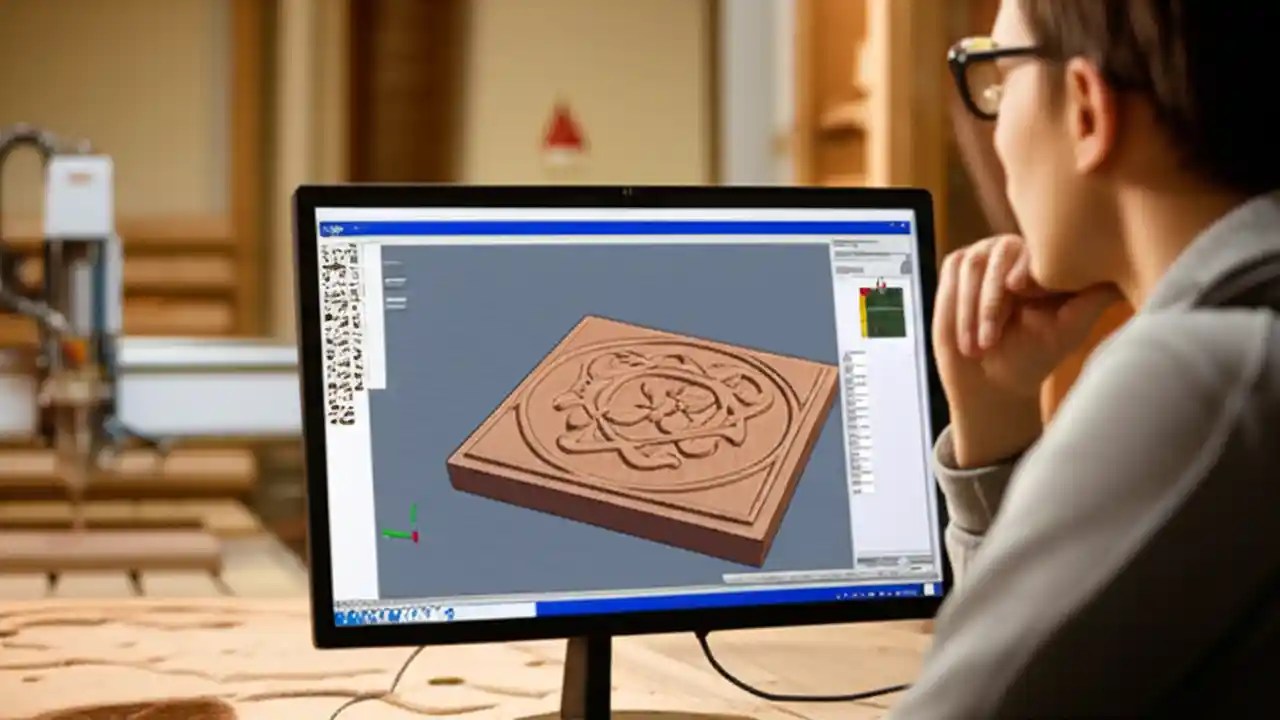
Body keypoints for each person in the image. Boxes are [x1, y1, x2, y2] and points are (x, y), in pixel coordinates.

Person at [890, 1, 1280, 717]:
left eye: (999, 84)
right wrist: (998, 419)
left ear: (1086, 110)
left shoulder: (1205, 375)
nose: (997, 133)